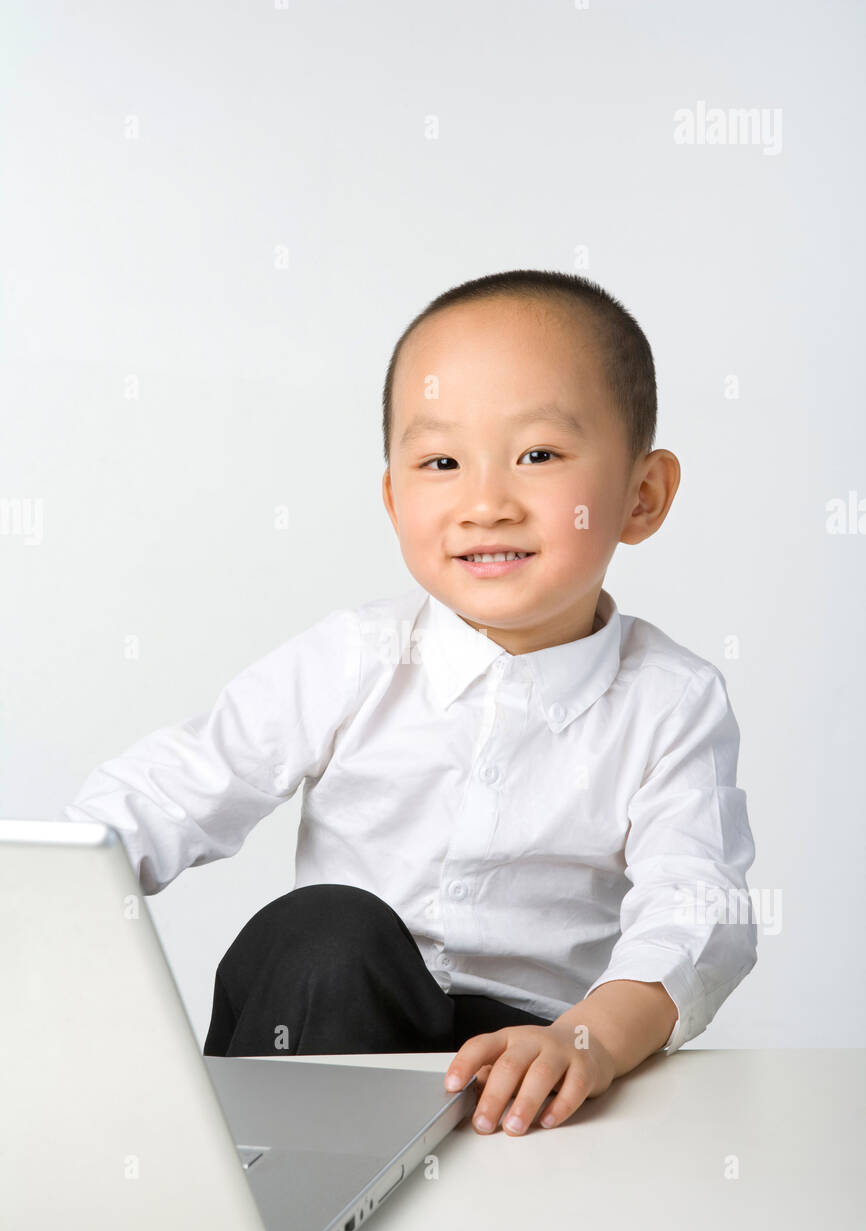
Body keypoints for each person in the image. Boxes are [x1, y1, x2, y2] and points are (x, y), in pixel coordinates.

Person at [64, 269, 757, 1137]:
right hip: (330, 1027)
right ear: (393, 498)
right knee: (327, 929)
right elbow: (178, 787)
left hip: (524, 1065)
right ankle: (263, 1208)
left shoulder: (672, 699)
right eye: (440, 463)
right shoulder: (353, 658)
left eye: (538, 455)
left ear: (642, 496)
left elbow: (698, 908)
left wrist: (589, 1039)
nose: (486, 504)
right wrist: (51, 892)